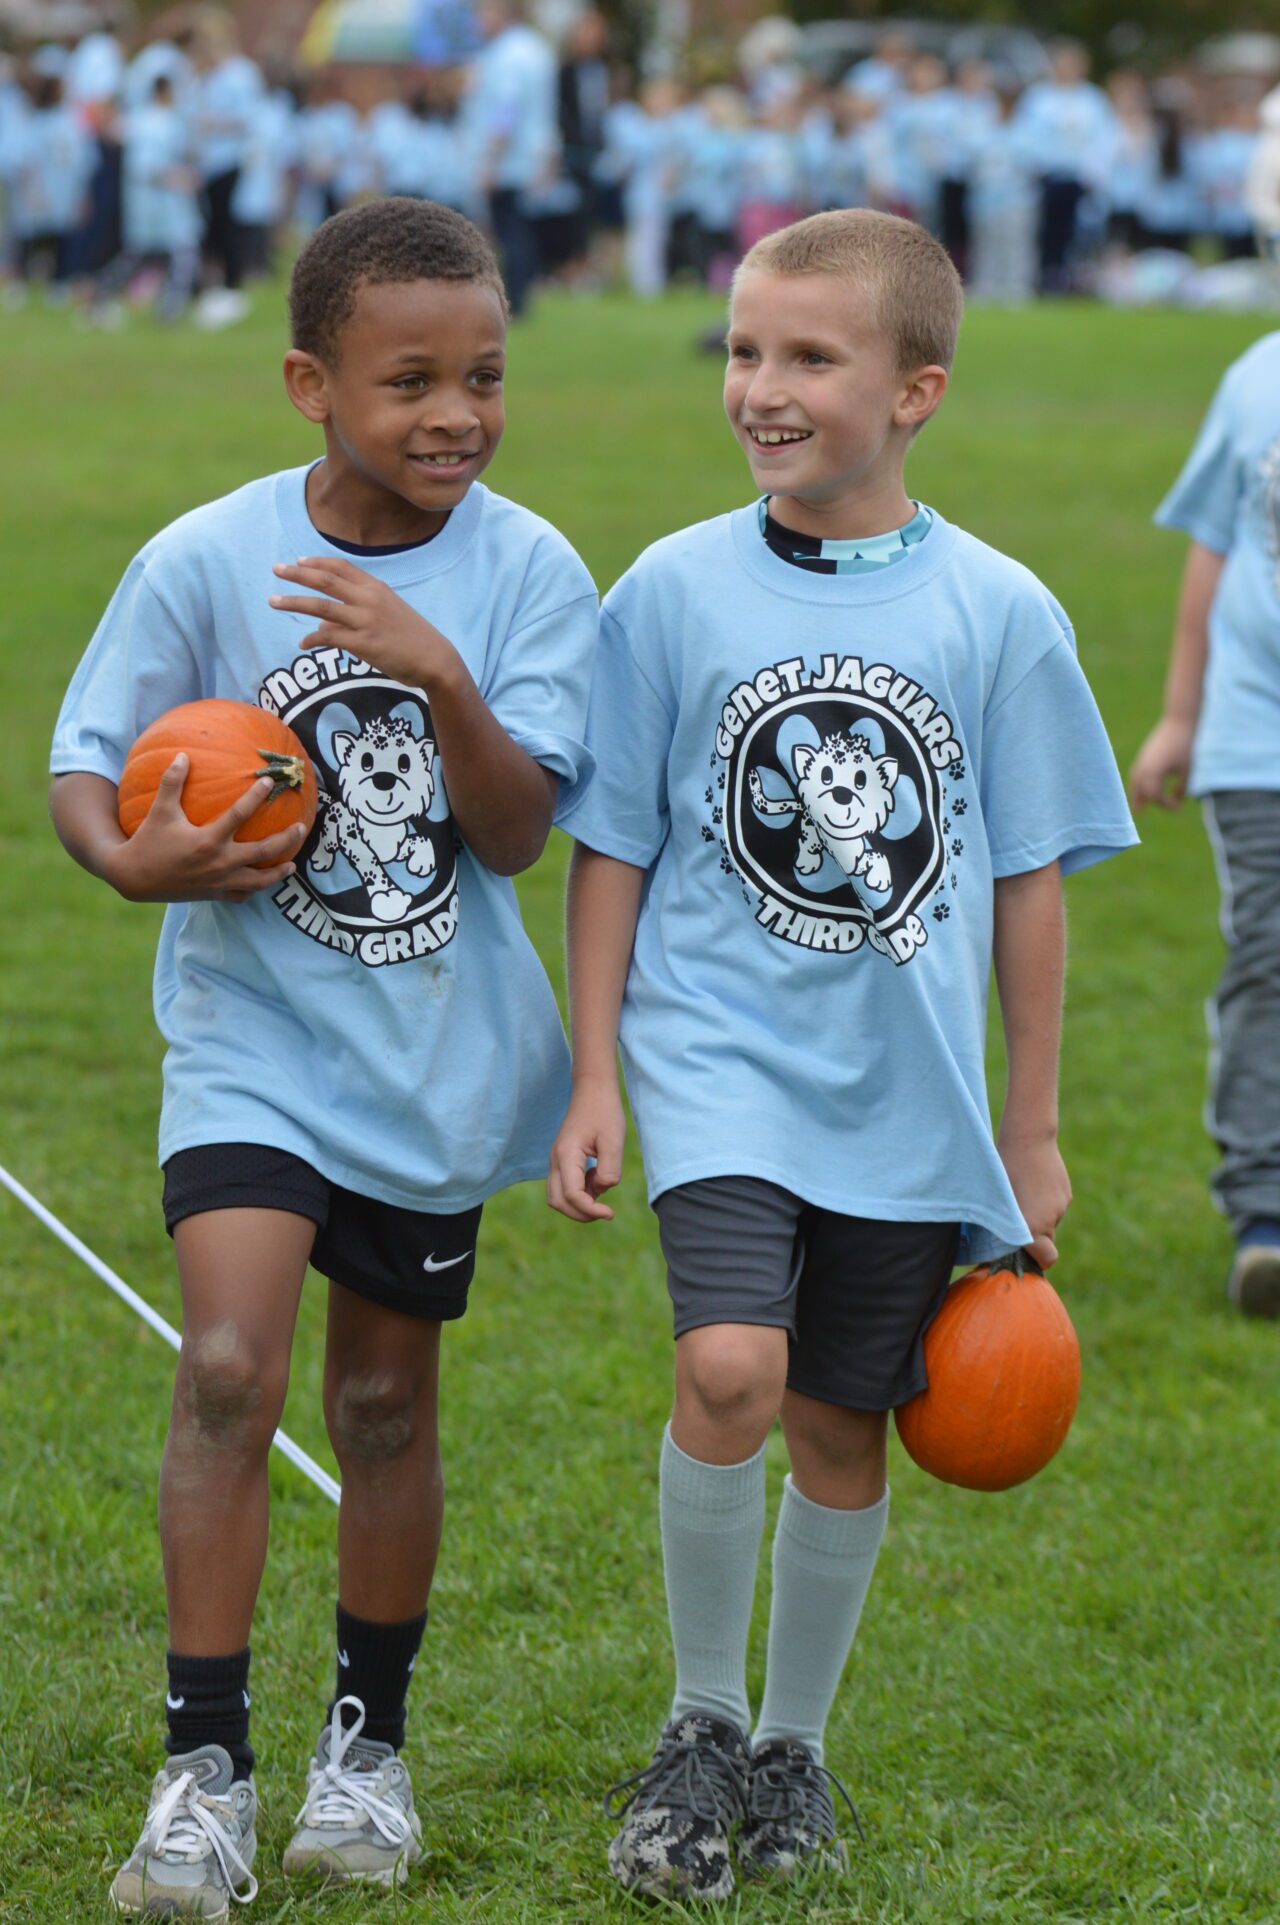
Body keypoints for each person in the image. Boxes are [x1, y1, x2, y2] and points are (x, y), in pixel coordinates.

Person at [548, 207, 1135, 1901]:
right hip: (721, 1057)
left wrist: (1027, 1129)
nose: (763, 387)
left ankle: (794, 1750)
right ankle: (697, 1724)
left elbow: (1029, 886)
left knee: (832, 1427)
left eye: (811, 356)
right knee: (728, 1369)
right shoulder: (669, 587)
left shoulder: (1003, 611)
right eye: (745, 350)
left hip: (911, 1098)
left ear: (918, 389)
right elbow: (616, 849)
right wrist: (600, 1070)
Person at [49, 196, 597, 1916]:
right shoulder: (212, 560)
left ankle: (366, 1757)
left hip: (431, 1064)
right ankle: (200, 1771)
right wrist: (132, 858)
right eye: (411, 378)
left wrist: (438, 675)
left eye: (485, 377)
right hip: (250, 1041)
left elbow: (516, 838)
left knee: (381, 1402)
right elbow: (87, 768)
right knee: (227, 1367)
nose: (456, 413)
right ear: (310, 381)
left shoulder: (528, 574)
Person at [1129, 333, 1280, 1319]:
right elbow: (1211, 553)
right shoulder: (1252, 380)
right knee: (1267, 958)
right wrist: (1180, 715)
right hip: (1254, 732)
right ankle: (1265, 1211)